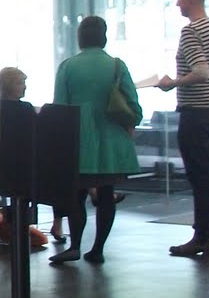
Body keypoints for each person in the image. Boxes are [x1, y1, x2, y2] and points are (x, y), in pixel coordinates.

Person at [49, 15, 142, 265]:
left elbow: (60, 108)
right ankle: (98, 248)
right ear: (104, 37)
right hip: (111, 140)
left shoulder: (67, 66)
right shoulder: (116, 65)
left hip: (78, 139)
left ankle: (75, 245)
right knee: (106, 193)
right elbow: (133, 103)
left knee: (76, 193)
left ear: (80, 37)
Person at [158, 0, 209, 257]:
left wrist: (173, 83)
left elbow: (202, 71)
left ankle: (202, 235)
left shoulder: (191, 32)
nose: (176, 3)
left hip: (195, 113)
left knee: (199, 177)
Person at [0, 66, 55, 249]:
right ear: (7, 86)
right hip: (7, 166)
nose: (24, 87)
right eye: (20, 83)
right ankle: (17, 225)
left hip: (21, 162)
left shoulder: (24, 109)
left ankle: (22, 225)